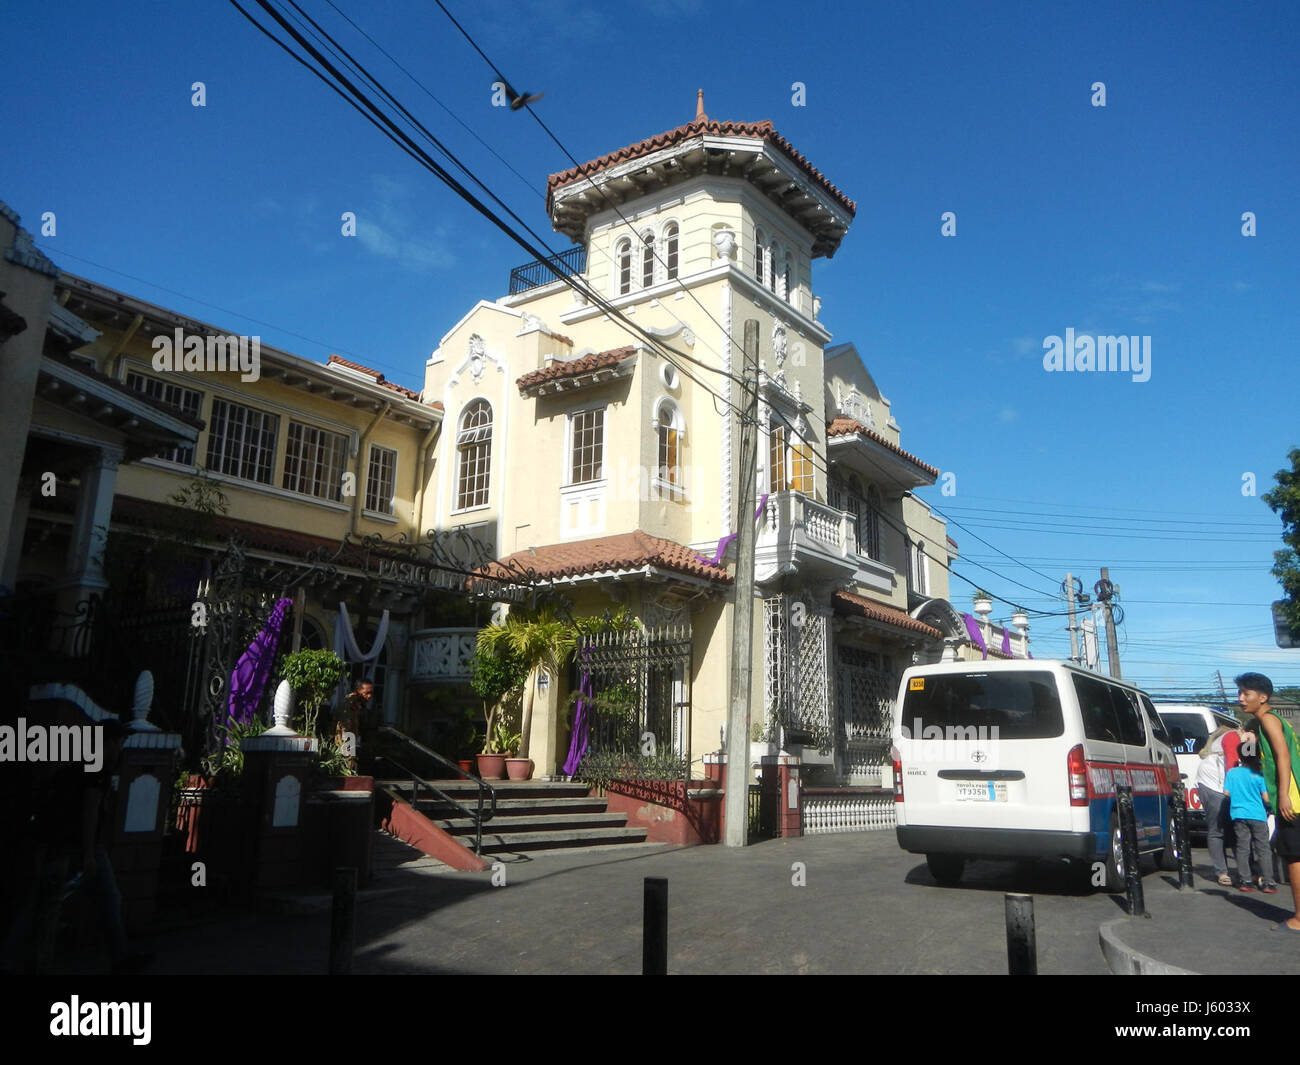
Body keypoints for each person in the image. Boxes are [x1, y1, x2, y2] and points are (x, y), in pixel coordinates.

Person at [1237, 672, 1300, 926]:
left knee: (1295, 858)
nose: (1241, 699)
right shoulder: (1271, 722)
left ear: (1263, 697)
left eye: (1246, 694)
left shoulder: (1269, 721)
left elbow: (1283, 756)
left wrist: (1283, 795)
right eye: (1239, 693)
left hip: (1292, 800)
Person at [1223, 734, 1276, 893]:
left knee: (1243, 847)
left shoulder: (1232, 773)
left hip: (1239, 814)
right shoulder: (1257, 774)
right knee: (1263, 848)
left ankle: (1246, 880)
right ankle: (1268, 882)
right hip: (1258, 815)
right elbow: (1266, 798)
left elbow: (1226, 793)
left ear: (1240, 755)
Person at [1196, 722, 1236, 886]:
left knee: (1235, 830)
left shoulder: (1231, 738)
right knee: (1217, 829)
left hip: (1218, 784)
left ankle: (1247, 871)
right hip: (1213, 784)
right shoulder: (1233, 737)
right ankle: (1222, 872)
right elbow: (1232, 764)